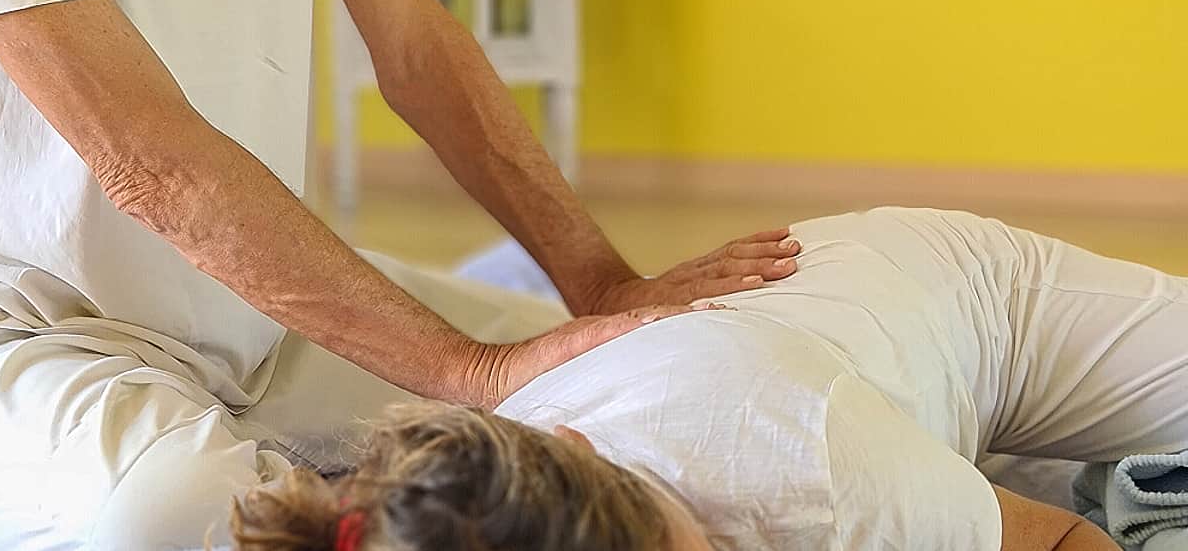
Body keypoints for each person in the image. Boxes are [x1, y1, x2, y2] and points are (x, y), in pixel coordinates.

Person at [0, 0, 799, 548]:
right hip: (46, 334)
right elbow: (151, 162)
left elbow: (415, 43)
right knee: (176, 517)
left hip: (262, 321)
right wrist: (466, 371)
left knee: (613, 373)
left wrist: (602, 282)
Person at [231, 207, 1187, 551]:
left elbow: (1062, 540)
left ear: (582, 453)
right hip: (814, 363)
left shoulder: (807, 476)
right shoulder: (489, 503)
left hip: (968, 299)